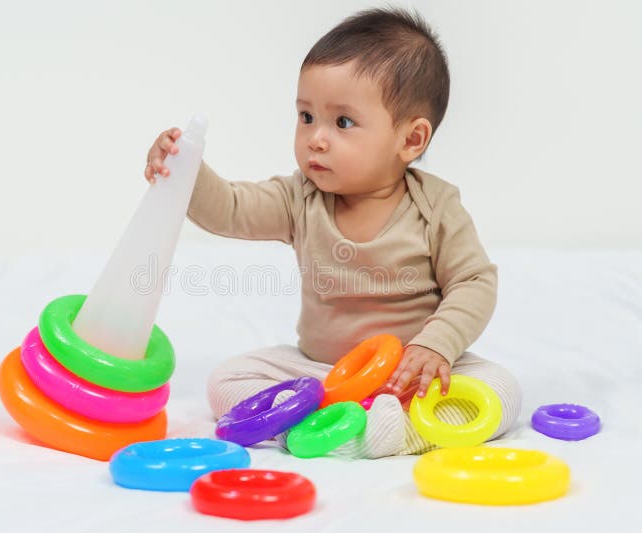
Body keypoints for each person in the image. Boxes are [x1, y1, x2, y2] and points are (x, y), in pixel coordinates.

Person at [144, 6, 521, 458]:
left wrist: (435, 346)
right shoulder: (300, 199)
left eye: (342, 122)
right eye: (306, 117)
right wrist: (186, 171)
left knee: (500, 389)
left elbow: (473, 282)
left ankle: (387, 429)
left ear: (411, 140)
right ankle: (326, 422)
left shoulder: (435, 207)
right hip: (322, 373)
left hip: (409, 375)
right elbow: (230, 209)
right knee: (226, 381)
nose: (316, 139)